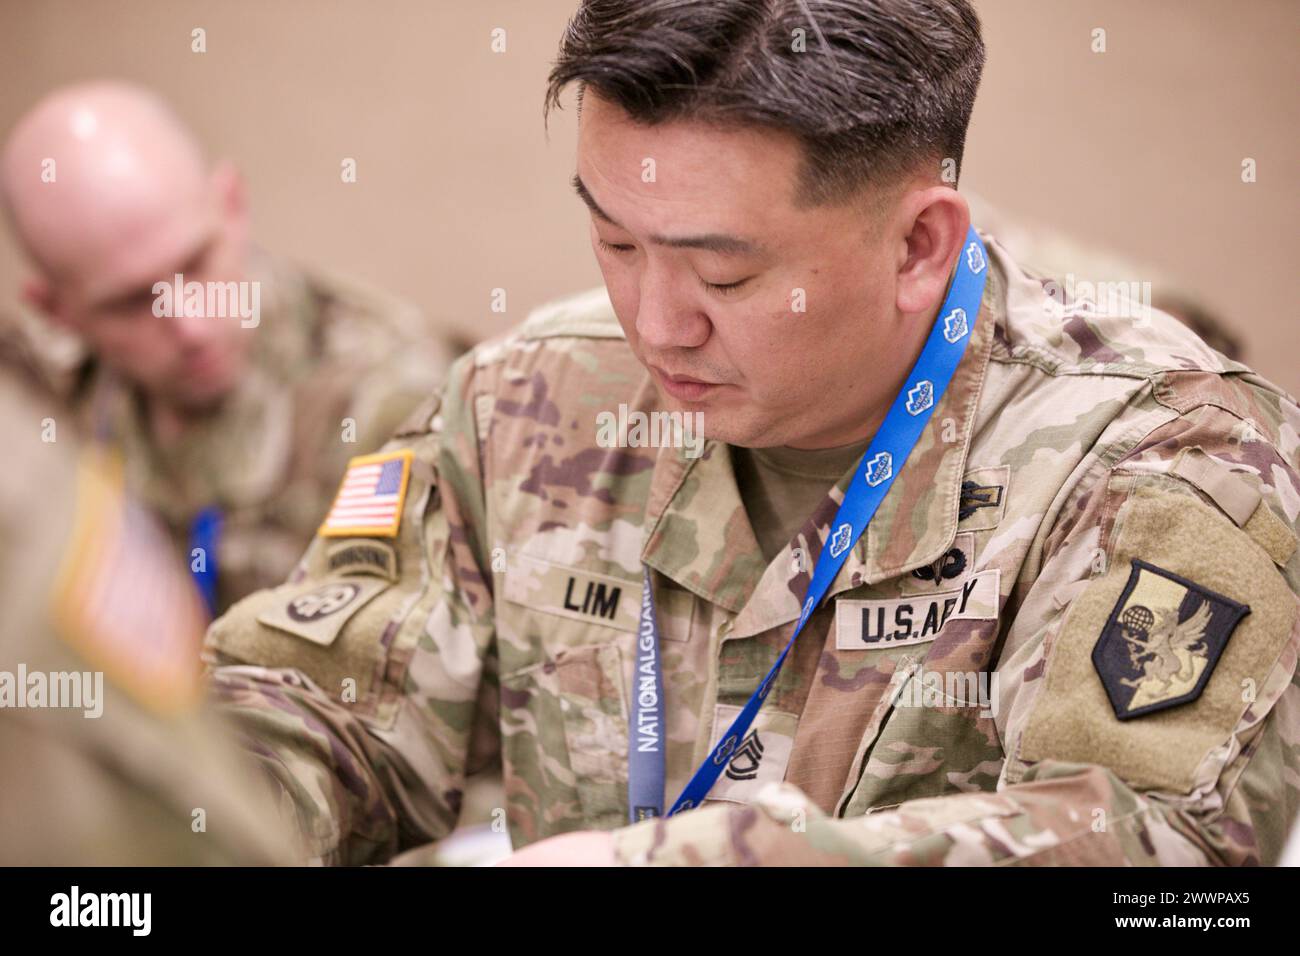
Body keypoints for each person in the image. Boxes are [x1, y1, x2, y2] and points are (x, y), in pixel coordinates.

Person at [205, 0, 1300, 866]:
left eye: (724, 272)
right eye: (613, 242)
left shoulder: (1162, 455)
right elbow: (322, 708)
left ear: (920, 243)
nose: (654, 322)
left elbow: (1155, 854)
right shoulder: (527, 398)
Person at [0, 81, 456, 616]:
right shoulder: (32, 402)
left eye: (195, 264)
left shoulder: (393, 398)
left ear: (232, 203)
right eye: (131, 303)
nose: (190, 325)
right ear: (57, 312)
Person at [0, 370, 298, 864]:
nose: (188, 326)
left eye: (198, 286)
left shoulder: (30, 503)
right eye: (128, 305)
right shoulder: (52, 388)